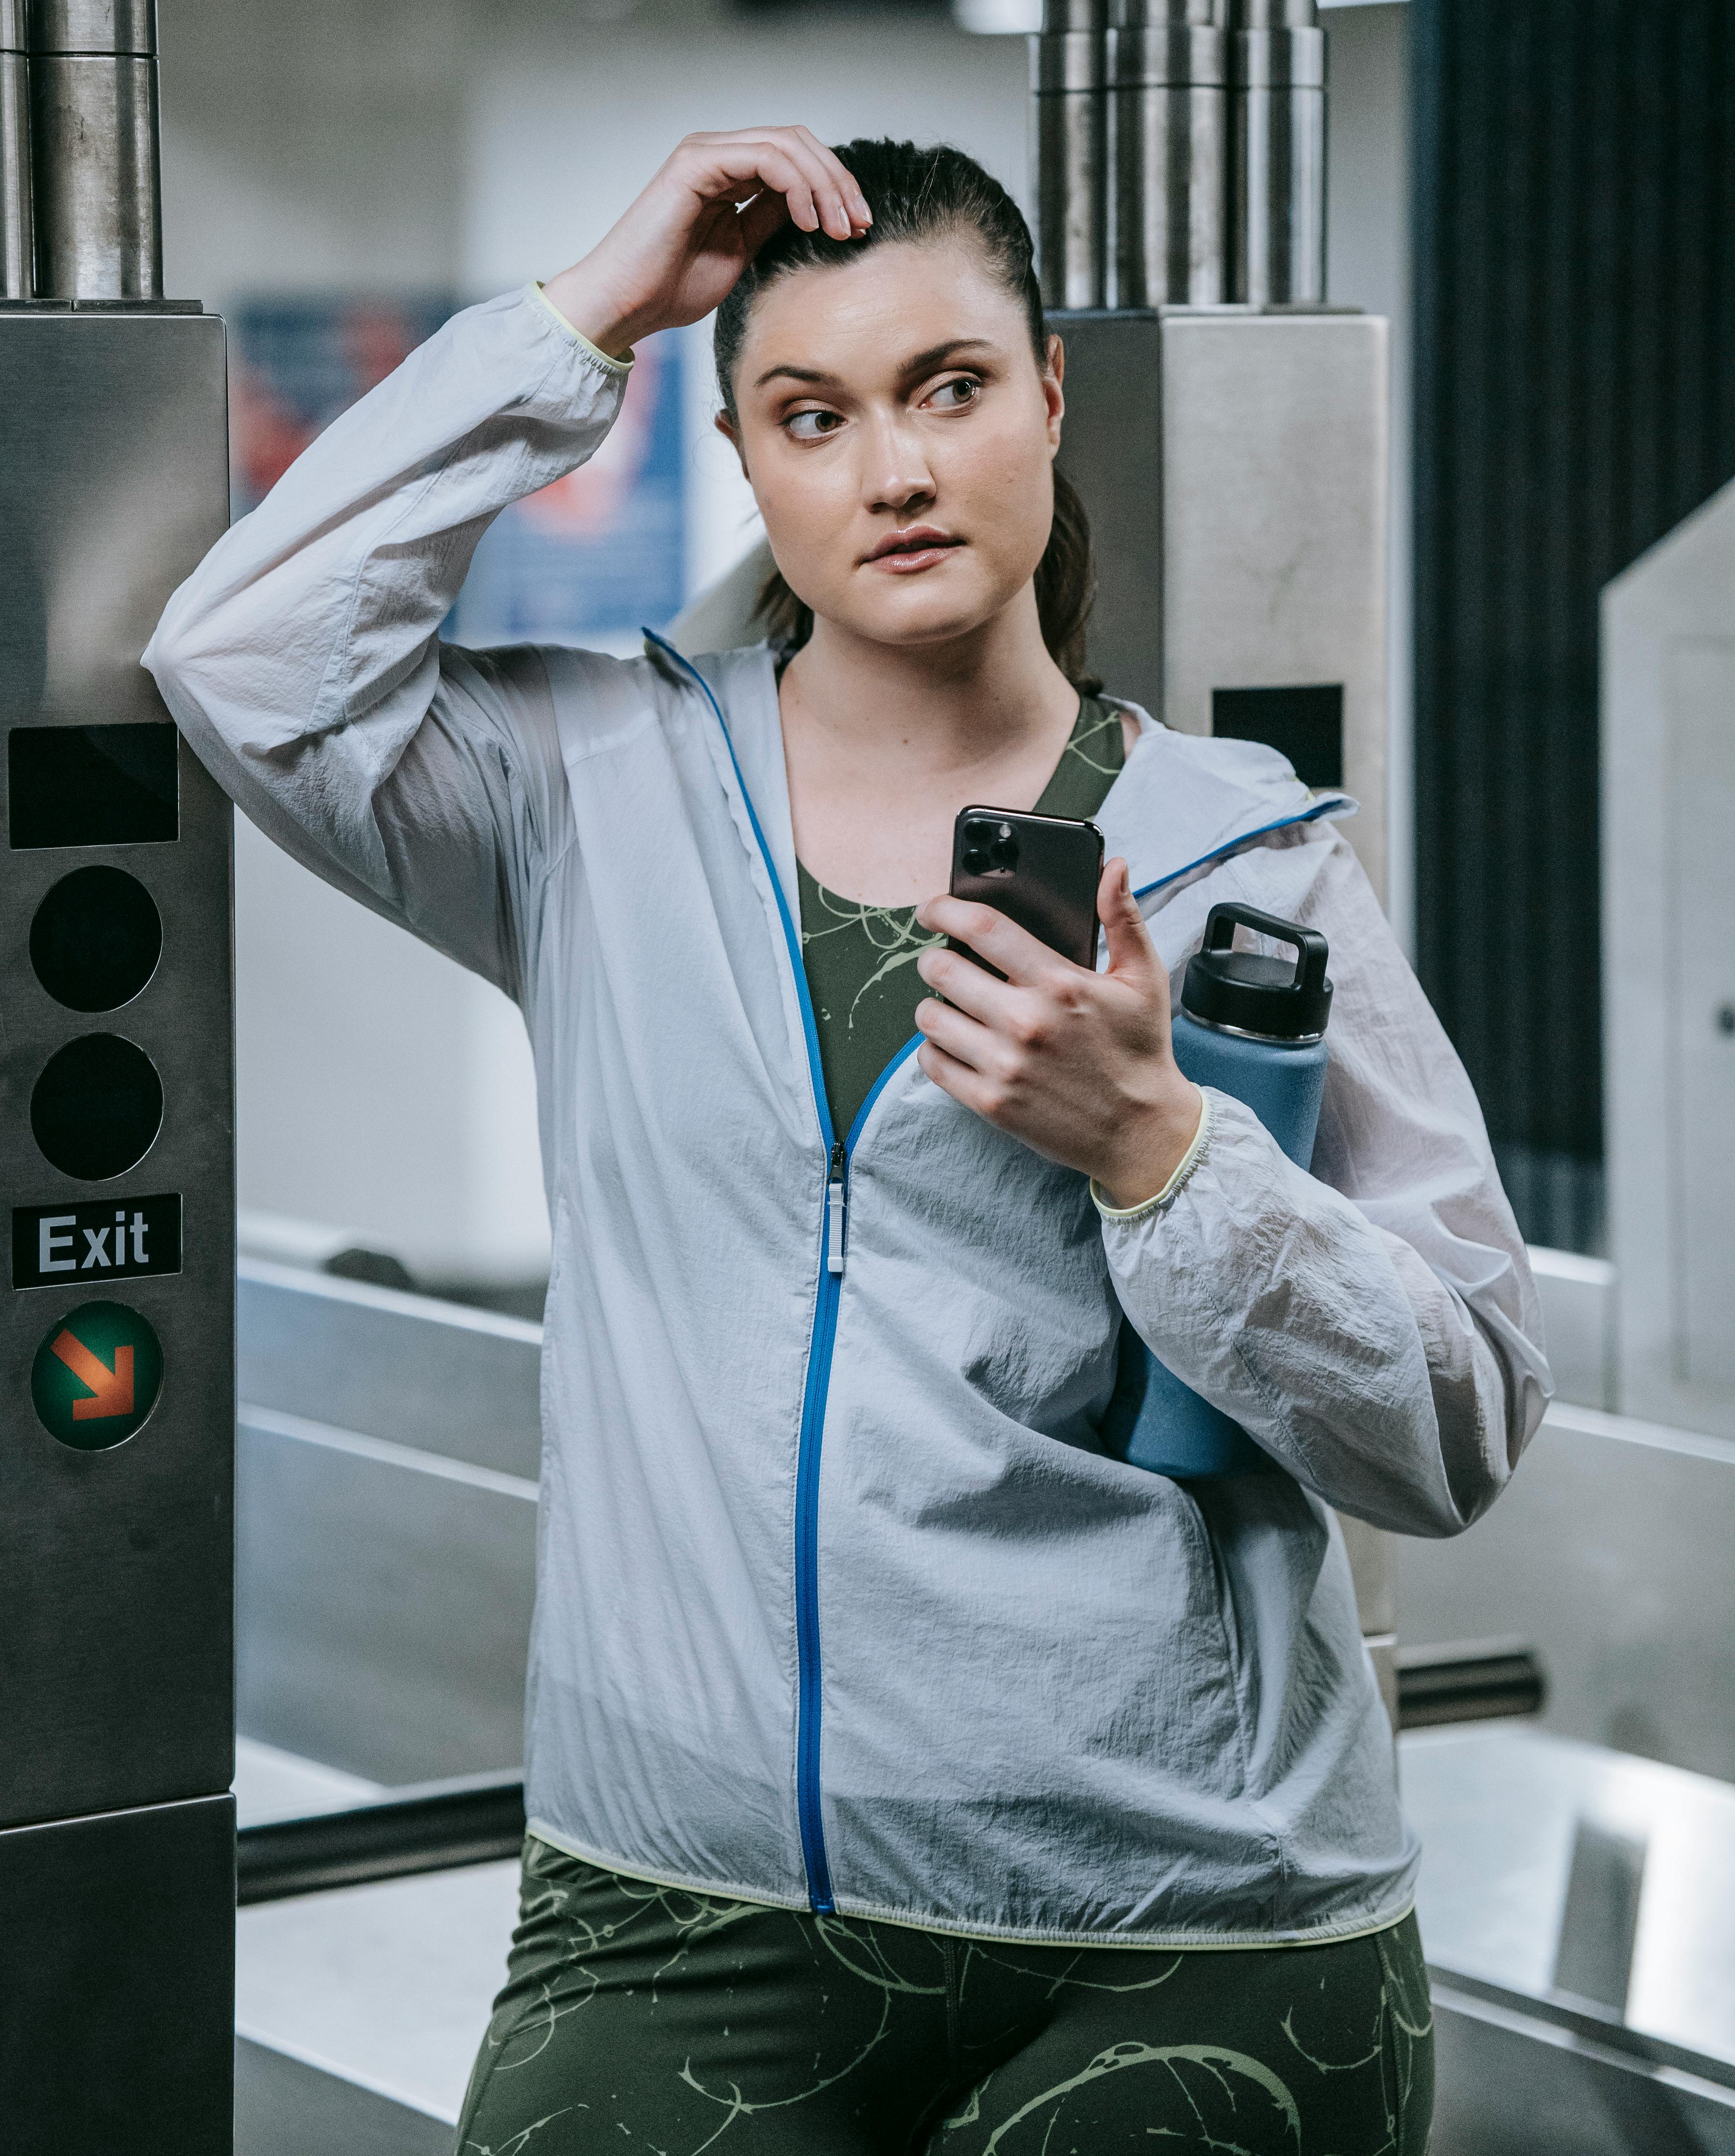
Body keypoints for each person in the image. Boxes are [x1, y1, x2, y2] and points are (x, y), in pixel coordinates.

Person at [146, 126, 1547, 2154]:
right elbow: (240, 659)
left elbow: (1464, 1419)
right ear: (745, 457)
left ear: (1049, 393)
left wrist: (1165, 1151)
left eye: (948, 389)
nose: (891, 471)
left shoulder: (1250, 865)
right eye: (811, 416)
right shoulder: (581, 786)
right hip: (674, 1909)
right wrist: (582, 317)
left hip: (1197, 1920)